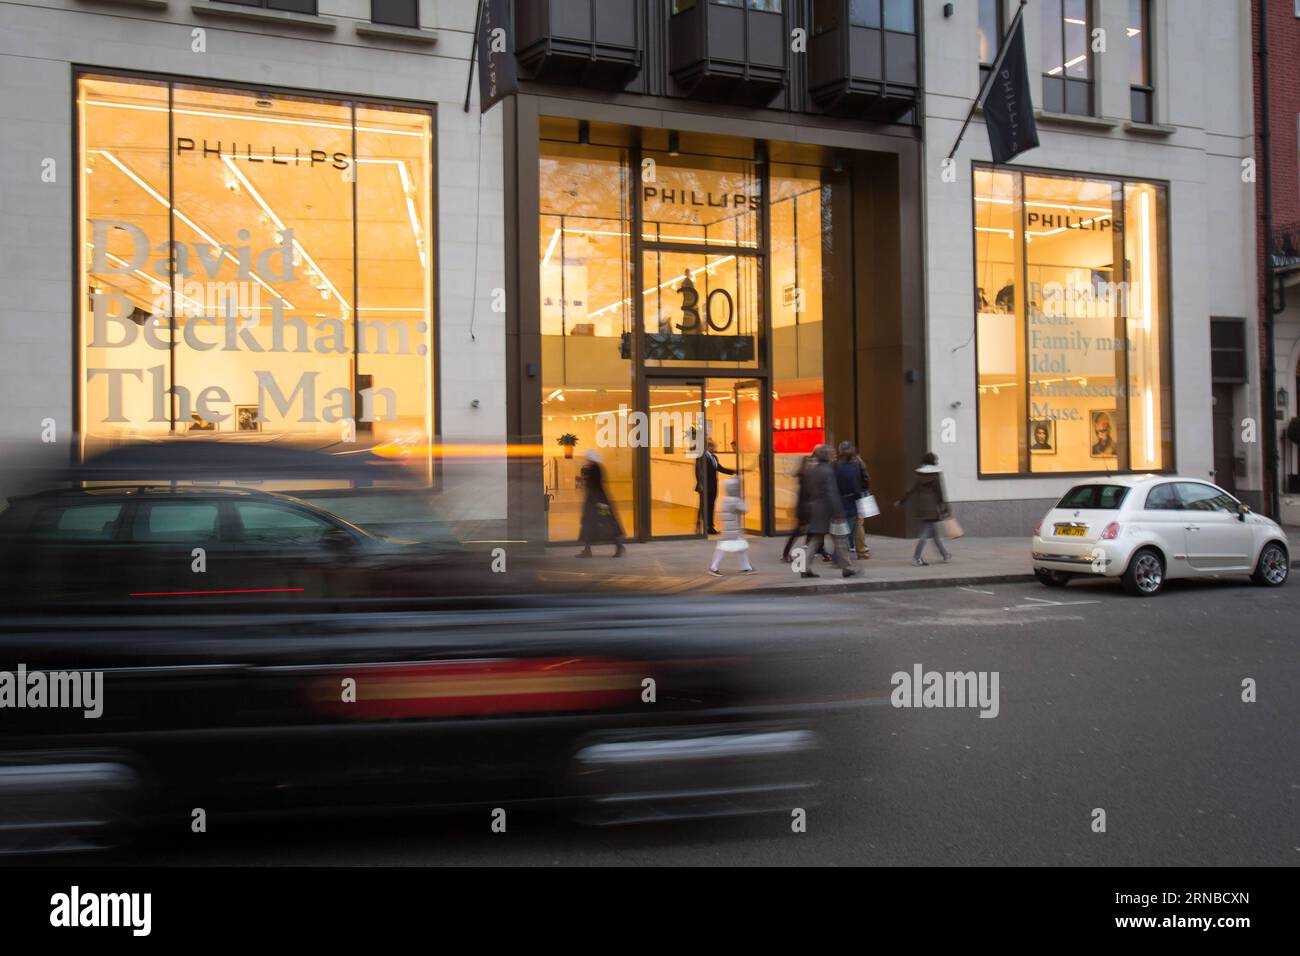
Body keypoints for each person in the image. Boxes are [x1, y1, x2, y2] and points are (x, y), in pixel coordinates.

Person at [801, 444, 856, 579]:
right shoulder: (828, 471)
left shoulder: (814, 470)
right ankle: (846, 567)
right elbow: (831, 493)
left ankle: (805, 567)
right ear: (826, 455)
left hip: (817, 509)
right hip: (829, 510)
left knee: (816, 539)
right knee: (840, 539)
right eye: (831, 453)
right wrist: (838, 512)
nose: (834, 455)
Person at [895, 451, 951, 566]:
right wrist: (944, 506)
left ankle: (944, 554)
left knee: (934, 532)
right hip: (932, 506)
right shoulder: (935, 474)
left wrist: (902, 501)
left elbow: (911, 490)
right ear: (933, 461)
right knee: (925, 533)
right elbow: (939, 492)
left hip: (921, 506)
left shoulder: (919, 474)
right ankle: (916, 558)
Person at [576, 449, 625, 558]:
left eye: (587, 458)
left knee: (606, 523)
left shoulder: (596, 469)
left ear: (591, 458)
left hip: (599, 503)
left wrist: (600, 502)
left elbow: (597, 487)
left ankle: (618, 546)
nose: (586, 459)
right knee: (589, 525)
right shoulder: (592, 468)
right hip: (593, 502)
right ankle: (587, 550)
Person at [708, 478, 754, 577]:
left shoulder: (726, 499)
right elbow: (745, 509)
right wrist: (746, 499)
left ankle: (746, 567)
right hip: (733, 531)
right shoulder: (735, 501)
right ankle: (713, 567)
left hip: (728, 529)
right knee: (724, 549)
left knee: (740, 548)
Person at [834, 441, 872, 560]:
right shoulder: (858, 461)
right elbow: (866, 477)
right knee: (859, 523)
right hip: (859, 495)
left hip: (843, 497)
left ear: (840, 450)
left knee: (845, 524)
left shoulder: (836, 463)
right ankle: (861, 551)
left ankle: (845, 550)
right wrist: (864, 490)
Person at [694, 437, 736, 534]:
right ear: (708, 447)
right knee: (703, 506)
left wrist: (733, 472)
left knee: (711, 506)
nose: (714, 448)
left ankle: (710, 527)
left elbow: (719, 468)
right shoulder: (701, 457)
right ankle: (699, 524)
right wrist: (700, 484)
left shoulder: (714, 457)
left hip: (713, 486)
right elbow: (698, 471)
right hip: (704, 486)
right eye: (713, 446)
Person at [781, 454, 817, 562]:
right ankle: (786, 554)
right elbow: (808, 494)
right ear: (806, 464)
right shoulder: (806, 476)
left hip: (805, 508)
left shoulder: (806, 475)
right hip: (805, 509)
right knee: (799, 532)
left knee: (812, 532)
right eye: (811, 462)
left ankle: (820, 552)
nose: (814, 464)